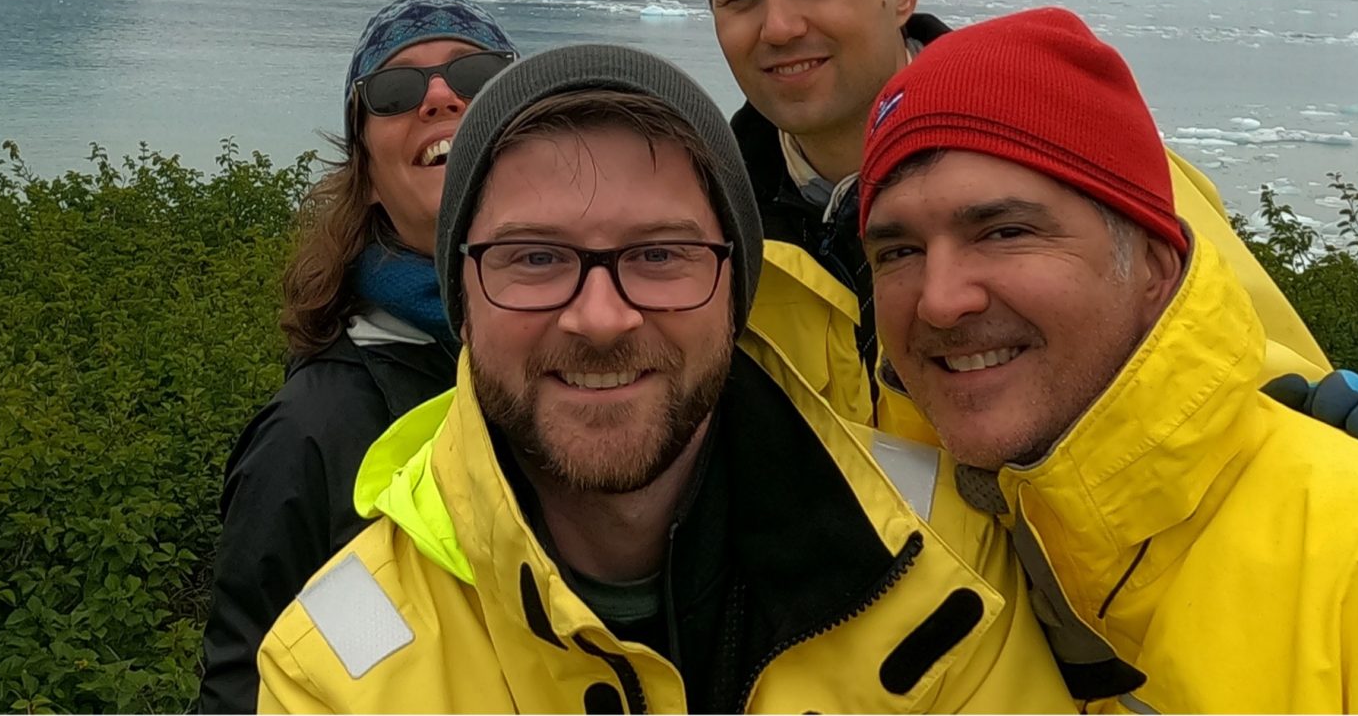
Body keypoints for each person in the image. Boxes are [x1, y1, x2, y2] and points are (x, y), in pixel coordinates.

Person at [255, 45, 1071, 713]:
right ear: (462, 298)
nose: (601, 316)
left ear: (736, 294)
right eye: (534, 257)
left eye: (660, 254)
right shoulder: (339, 664)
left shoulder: (939, 550)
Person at [683, 0, 1358, 469]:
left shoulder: (1078, 163)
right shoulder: (704, 226)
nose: (778, 26)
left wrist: (1336, 446)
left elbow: (1237, 364)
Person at [858, 8, 1358, 713]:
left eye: (1004, 230)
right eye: (898, 251)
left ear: (1152, 266)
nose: (939, 300)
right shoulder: (877, 546)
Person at [197, 0, 518, 713]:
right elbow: (247, 684)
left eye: (474, 76)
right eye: (396, 89)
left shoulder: (600, 350)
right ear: (367, 174)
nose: (439, 96)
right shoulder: (312, 431)